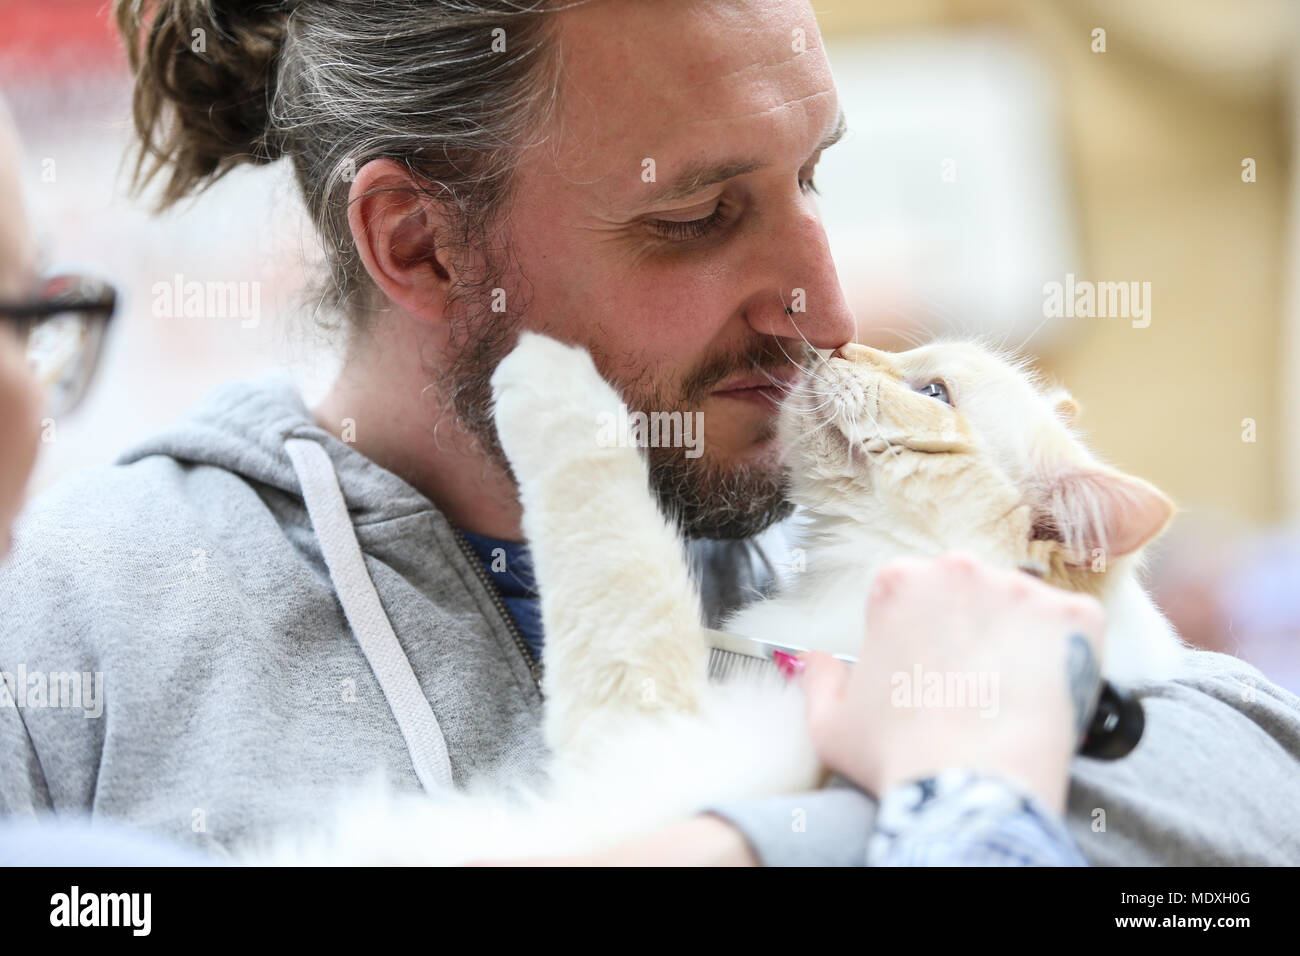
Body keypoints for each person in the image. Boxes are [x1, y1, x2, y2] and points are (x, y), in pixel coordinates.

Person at [1, 0, 1298, 866]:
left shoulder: (856, 507)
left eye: (811, 179)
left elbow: (1251, 806)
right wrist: (794, 825)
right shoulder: (81, 614)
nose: (833, 314)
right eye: (699, 217)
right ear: (420, 243)